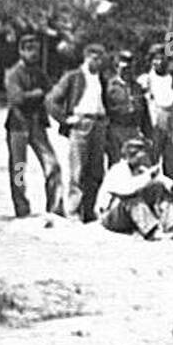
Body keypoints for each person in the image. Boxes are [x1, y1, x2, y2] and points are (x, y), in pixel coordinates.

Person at [45, 42, 110, 223]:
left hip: (98, 125)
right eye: (94, 58)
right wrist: (66, 119)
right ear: (86, 58)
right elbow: (51, 100)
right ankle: (73, 211)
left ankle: (88, 210)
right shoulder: (73, 77)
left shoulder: (102, 79)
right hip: (80, 125)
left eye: (100, 59)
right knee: (78, 170)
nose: (98, 62)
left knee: (96, 171)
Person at [3, 33, 62, 218]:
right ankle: (21, 207)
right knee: (19, 168)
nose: (33, 53)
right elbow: (17, 98)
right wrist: (38, 93)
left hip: (37, 125)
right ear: (21, 51)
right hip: (18, 127)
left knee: (52, 165)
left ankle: (55, 207)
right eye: (29, 49)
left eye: (35, 49)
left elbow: (51, 92)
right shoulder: (13, 74)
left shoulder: (39, 73)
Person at [97, 138, 173, 240]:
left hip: (129, 217)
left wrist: (171, 185)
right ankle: (151, 232)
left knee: (159, 189)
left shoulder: (141, 170)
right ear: (129, 156)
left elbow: (159, 181)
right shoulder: (118, 170)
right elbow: (127, 190)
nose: (143, 159)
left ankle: (172, 226)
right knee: (132, 200)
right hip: (111, 217)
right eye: (139, 155)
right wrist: (148, 177)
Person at [138, 43, 173, 181]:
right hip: (152, 124)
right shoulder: (145, 80)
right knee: (150, 164)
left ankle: (171, 195)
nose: (159, 62)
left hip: (171, 123)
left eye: (162, 59)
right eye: (155, 59)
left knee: (172, 166)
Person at [105, 48, 151, 169]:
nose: (127, 71)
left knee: (140, 164)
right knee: (118, 165)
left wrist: (147, 133)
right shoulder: (109, 87)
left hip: (134, 130)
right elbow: (105, 110)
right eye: (124, 68)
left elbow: (145, 112)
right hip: (117, 130)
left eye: (130, 68)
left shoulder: (137, 86)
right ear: (116, 67)